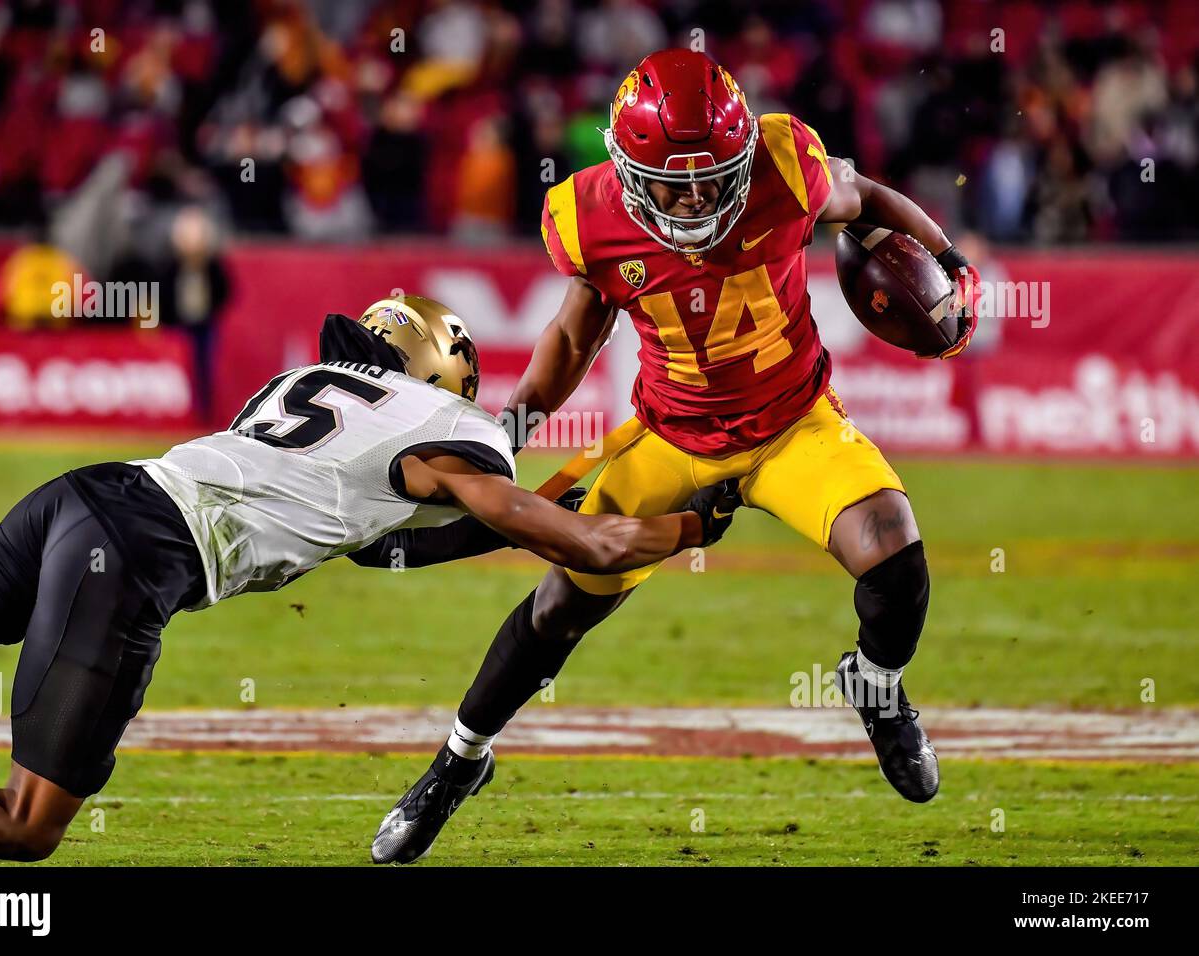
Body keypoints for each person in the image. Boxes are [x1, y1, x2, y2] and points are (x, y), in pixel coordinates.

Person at [373, 49, 981, 865]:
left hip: (793, 423)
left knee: (895, 553)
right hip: (669, 436)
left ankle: (875, 687)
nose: (696, 197)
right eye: (673, 181)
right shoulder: (590, 216)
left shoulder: (786, 162)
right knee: (560, 607)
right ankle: (458, 762)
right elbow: (572, 334)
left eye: (712, 176)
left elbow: (864, 195)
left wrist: (947, 261)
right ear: (626, 171)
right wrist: (510, 430)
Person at [0, 294, 740, 862]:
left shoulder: (296, 385)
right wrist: (694, 521)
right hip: (134, 555)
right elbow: (589, 550)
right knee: (27, 825)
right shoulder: (447, 429)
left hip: (82, 496)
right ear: (444, 372)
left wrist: (519, 518)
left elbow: (379, 543)